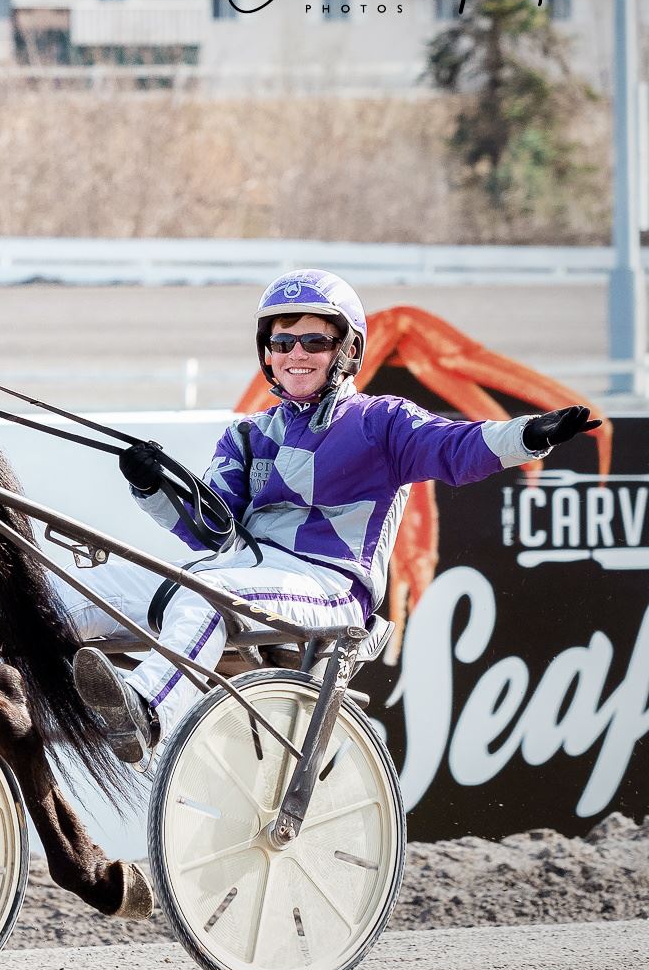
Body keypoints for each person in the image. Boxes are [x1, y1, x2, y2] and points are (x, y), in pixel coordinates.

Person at [65, 268, 600, 765]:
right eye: (282, 341)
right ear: (267, 354)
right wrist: (151, 484)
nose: (296, 353)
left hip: (328, 586)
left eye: (315, 341)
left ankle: (147, 714)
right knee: (79, 587)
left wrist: (528, 435)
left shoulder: (383, 422)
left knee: (207, 596)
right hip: (238, 575)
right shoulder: (248, 435)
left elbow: (458, 447)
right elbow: (209, 530)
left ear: (346, 352)